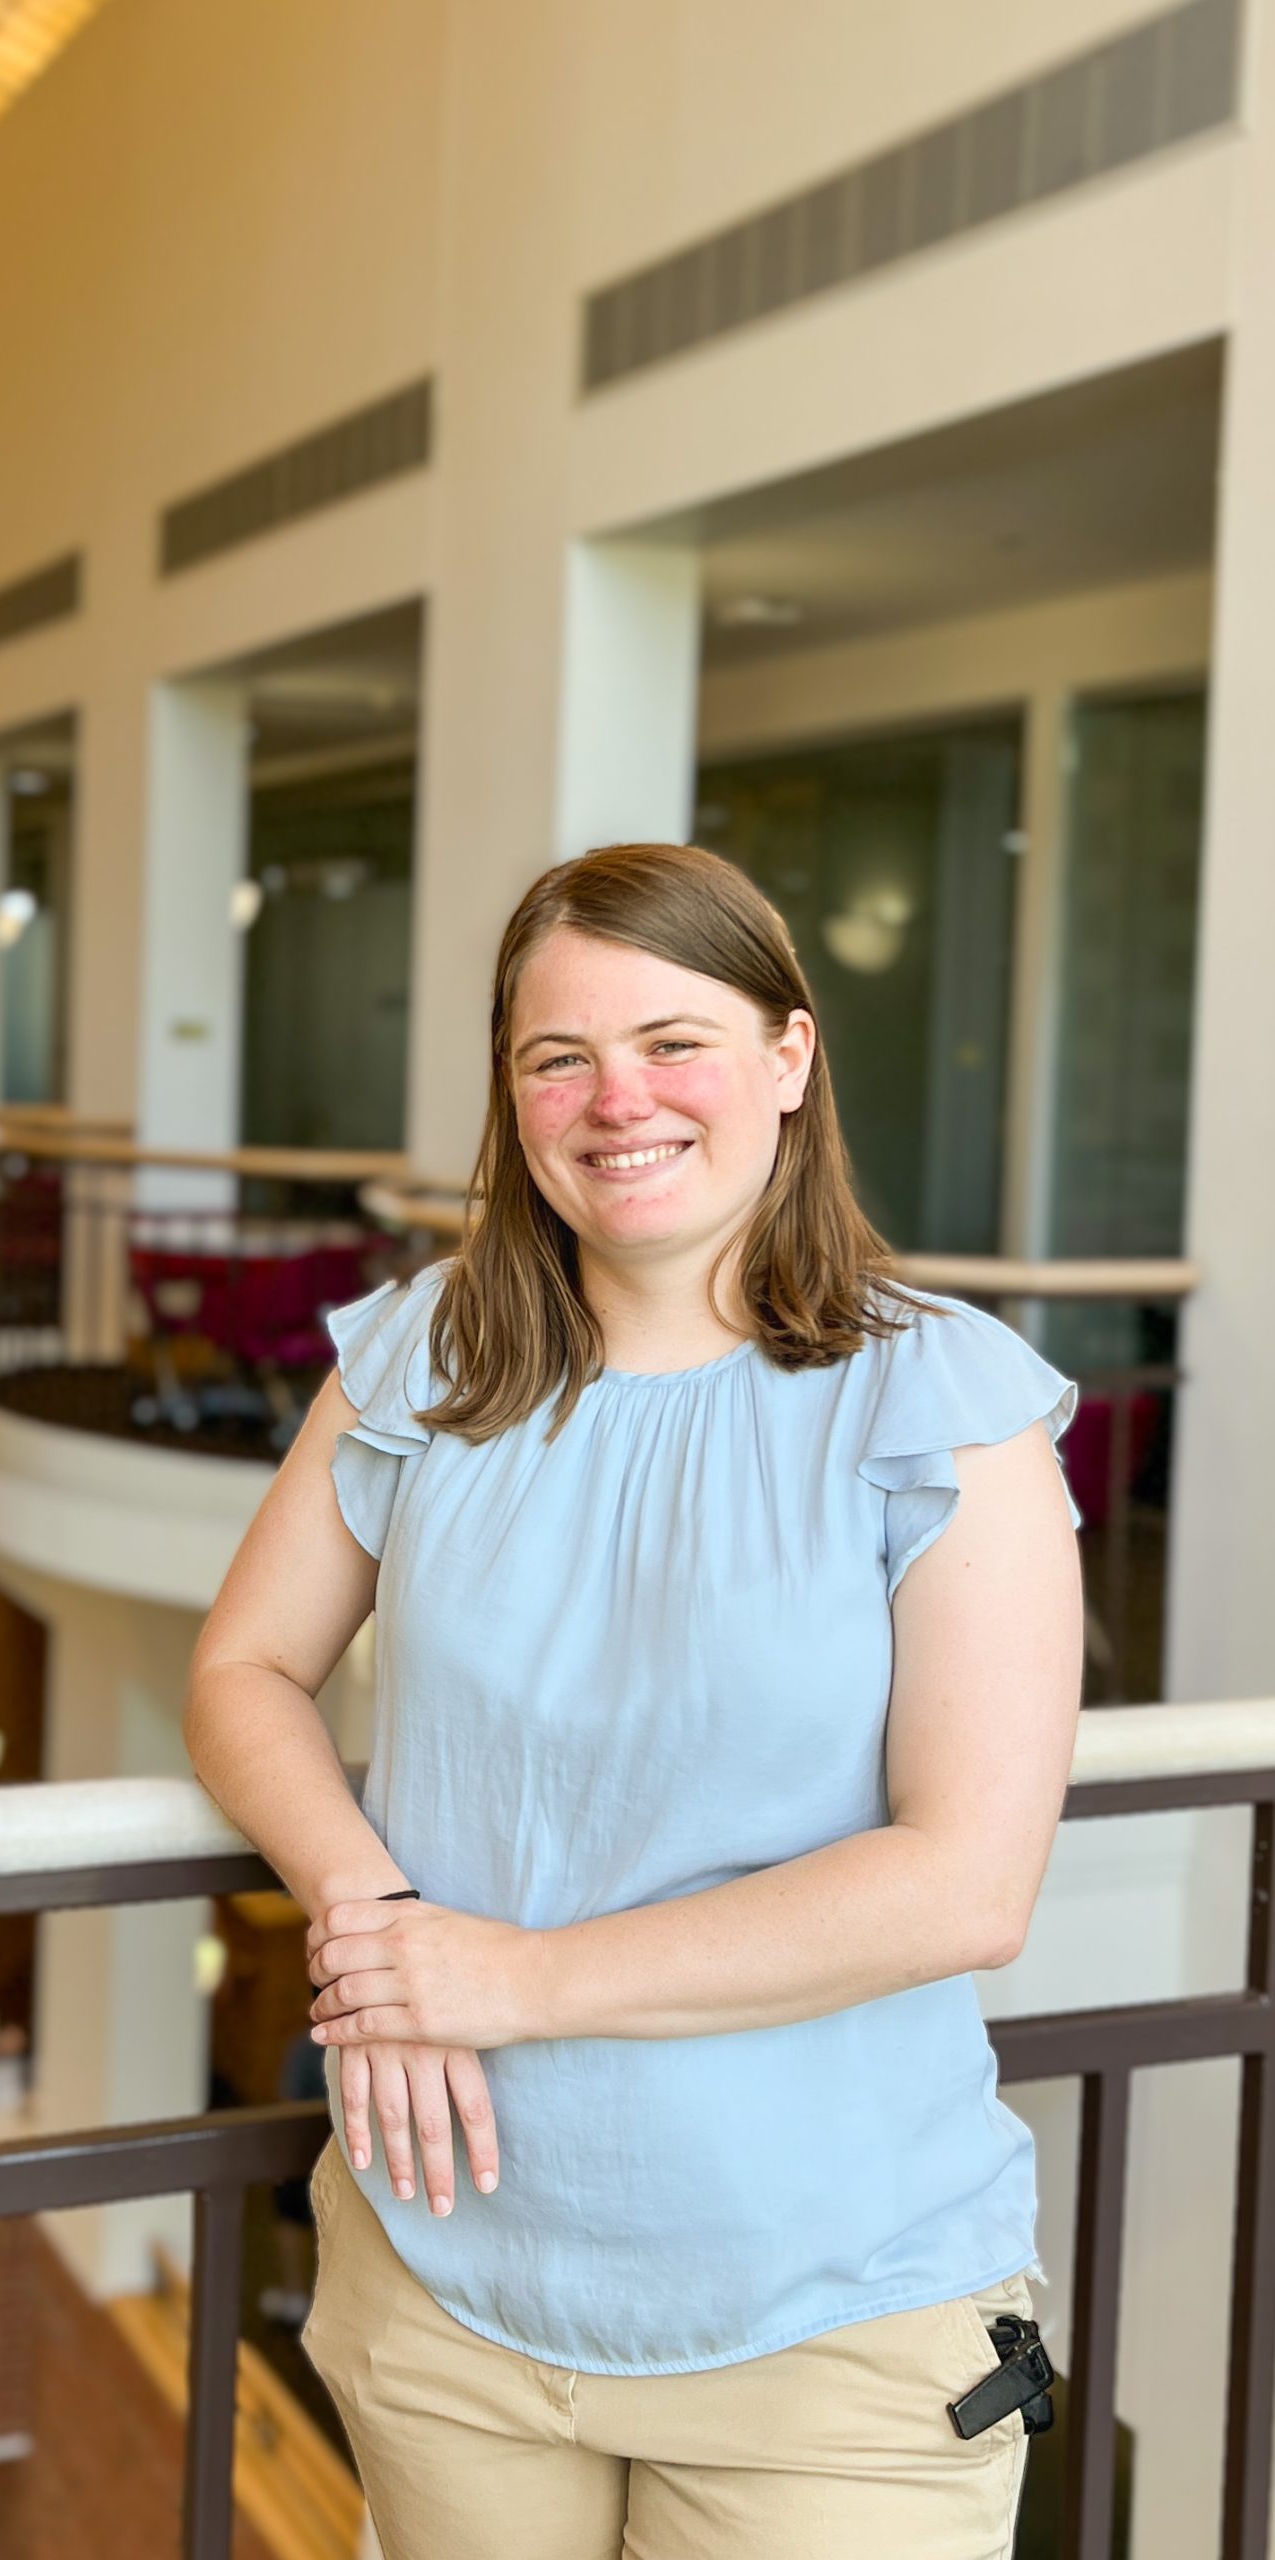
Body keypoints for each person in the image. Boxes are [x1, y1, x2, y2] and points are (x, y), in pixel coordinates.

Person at [184, 843, 1085, 2560]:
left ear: (788, 1061)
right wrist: (372, 1918)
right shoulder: (421, 1358)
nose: (618, 1102)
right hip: (444, 2284)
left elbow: (966, 1883)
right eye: (556, 1058)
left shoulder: (940, 1398)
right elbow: (241, 1669)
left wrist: (507, 1982)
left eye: (674, 1041)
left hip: (830, 2331)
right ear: (510, 1095)